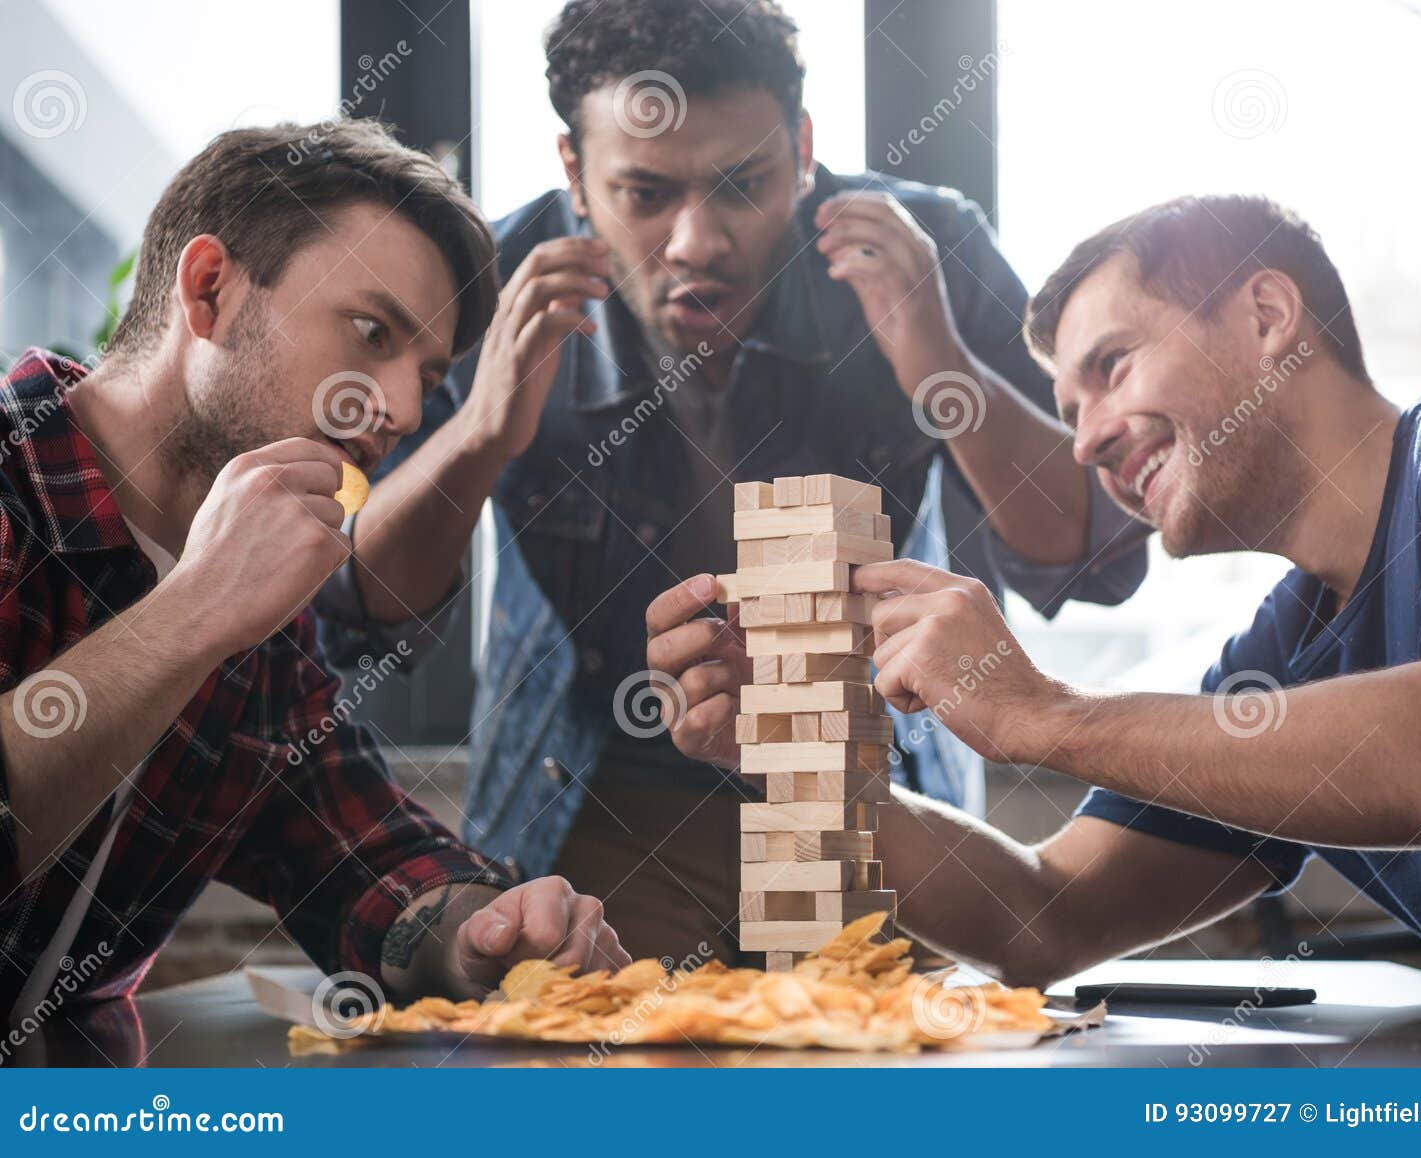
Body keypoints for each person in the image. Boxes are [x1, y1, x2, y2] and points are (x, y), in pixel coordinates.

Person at [317, 0, 1145, 964]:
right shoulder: (498, 273)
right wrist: (482, 432)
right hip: (599, 795)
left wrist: (937, 361)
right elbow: (357, 611)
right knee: (596, 1076)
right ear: (574, 175)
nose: (695, 242)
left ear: (802, 150)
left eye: (744, 184)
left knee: (873, 1085)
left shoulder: (925, 246)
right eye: (645, 193)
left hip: (855, 787)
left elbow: (1096, 560)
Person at [814, 194, 1421, 996]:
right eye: (1072, 414)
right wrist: (801, 767)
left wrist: (1038, 713)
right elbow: (1043, 915)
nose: (1085, 443)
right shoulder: (1282, 659)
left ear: (1267, 315)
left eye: (1112, 366)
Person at [0, 120, 626, 1022]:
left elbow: (364, 861)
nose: (405, 408)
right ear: (208, 290)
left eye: (427, 371)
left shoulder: (261, 626)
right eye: (371, 331)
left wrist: (491, 934)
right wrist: (195, 610)